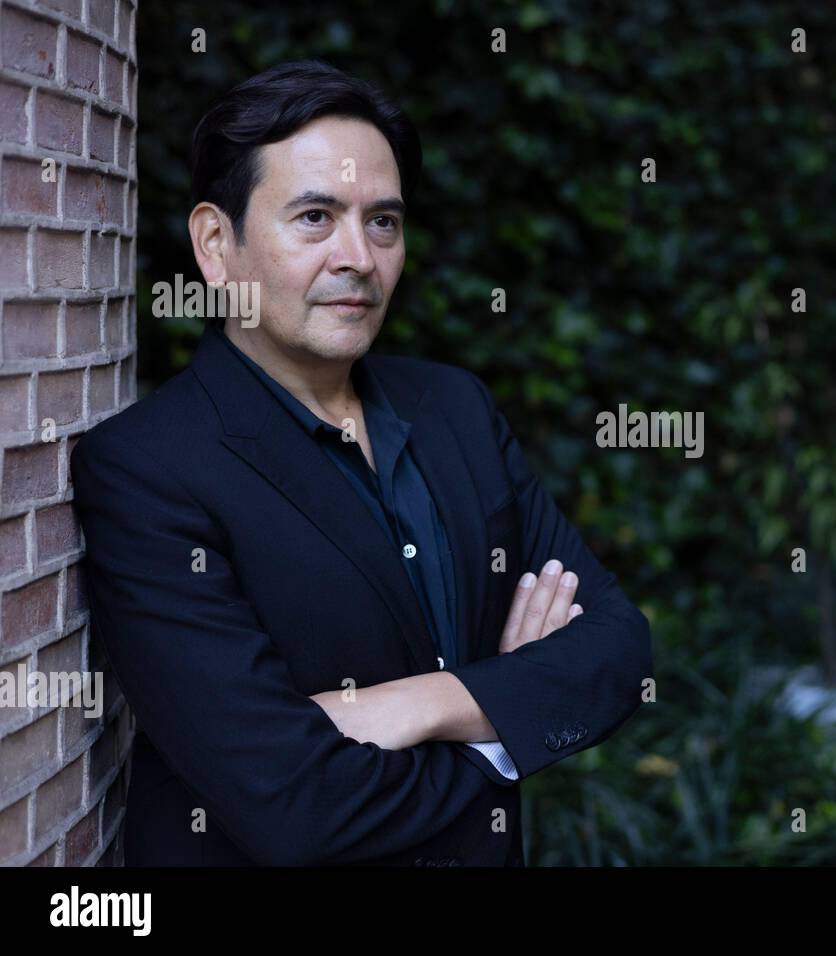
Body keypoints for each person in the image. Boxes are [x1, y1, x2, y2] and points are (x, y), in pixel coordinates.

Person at [70, 60, 653, 867]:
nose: (360, 257)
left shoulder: (455, 410)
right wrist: (503, 720)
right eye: (315, 217)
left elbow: (617, 647)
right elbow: (294, 803)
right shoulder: (146, 469)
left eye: (383, 222)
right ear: (216, 244)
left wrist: (423, 704)